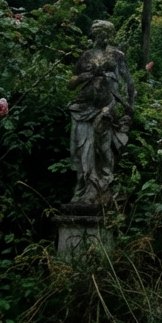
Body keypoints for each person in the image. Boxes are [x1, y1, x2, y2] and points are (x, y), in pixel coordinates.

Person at [66, 20, 135, 206]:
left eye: (108, 33)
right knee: (83, 147)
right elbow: (71, 83)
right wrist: (83, 77)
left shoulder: (117, 55)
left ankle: (104, 185)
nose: (105, 37)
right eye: (101, 33)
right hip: (83, 106)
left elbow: (129, 82)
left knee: (103, 145)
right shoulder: (86, 55)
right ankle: (84, 189)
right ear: (95, 34)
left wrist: (130, 107)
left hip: (107, 104)